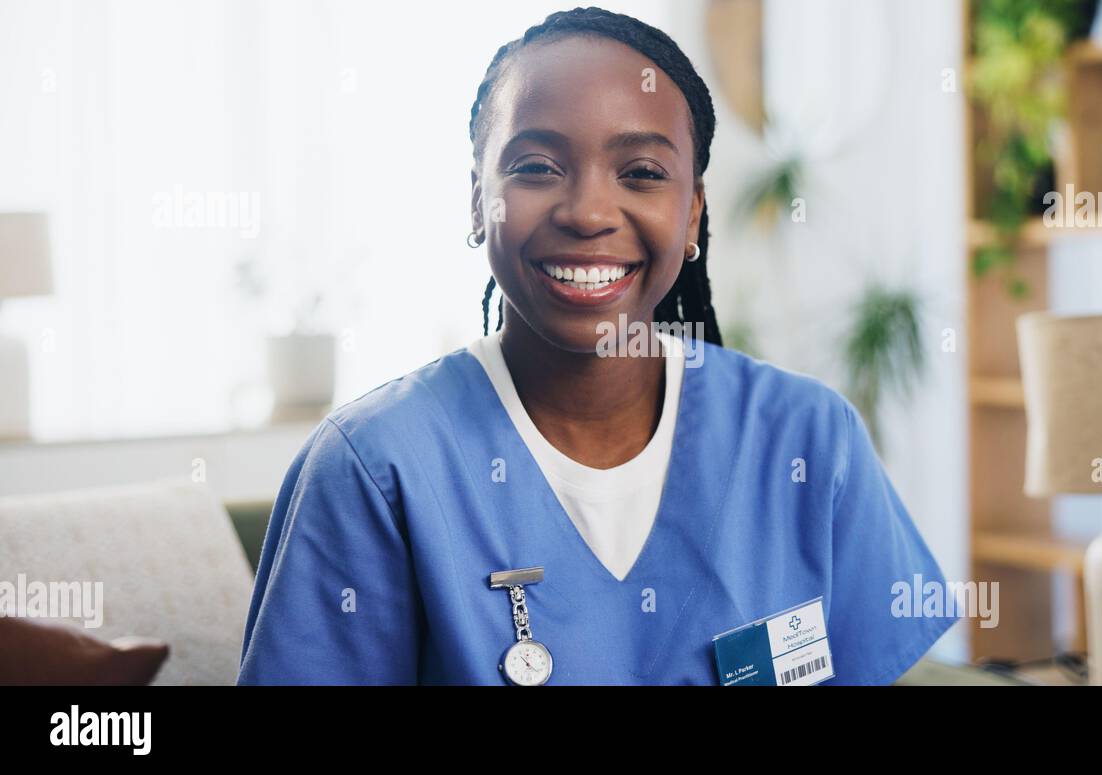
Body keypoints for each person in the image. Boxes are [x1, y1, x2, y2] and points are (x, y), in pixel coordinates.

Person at [237, 6, 956, 686]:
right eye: (536, 167)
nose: (586, 212)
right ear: (475, 201)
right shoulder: (375, 468)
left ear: (693, 213)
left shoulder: (808, 437)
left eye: (641, 173)